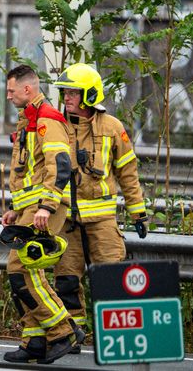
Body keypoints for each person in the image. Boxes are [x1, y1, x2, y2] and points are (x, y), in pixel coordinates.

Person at [51, 63, 149, 353]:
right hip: (66, 220)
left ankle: (118, 338)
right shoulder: (57, 126)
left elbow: (127, 173)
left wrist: (138, 212)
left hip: (102, 221)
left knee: (111, 280)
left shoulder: (112, 128)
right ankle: (72, 335)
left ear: (89, 95)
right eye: (65, 92)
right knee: (66, 280)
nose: (67, 97)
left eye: (73, 92)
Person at [0, 64, 78, 363]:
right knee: (22, 272)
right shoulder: (28, 120)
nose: (8, 96)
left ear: (27, 89)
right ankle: (34, 340)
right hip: (30, 208)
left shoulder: (47, 119)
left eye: (11, 90)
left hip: (44, 207)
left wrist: (46, 206)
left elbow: (60, 165)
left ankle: (63, 330)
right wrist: (15, 209)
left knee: (22, 267)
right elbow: (29, 172)